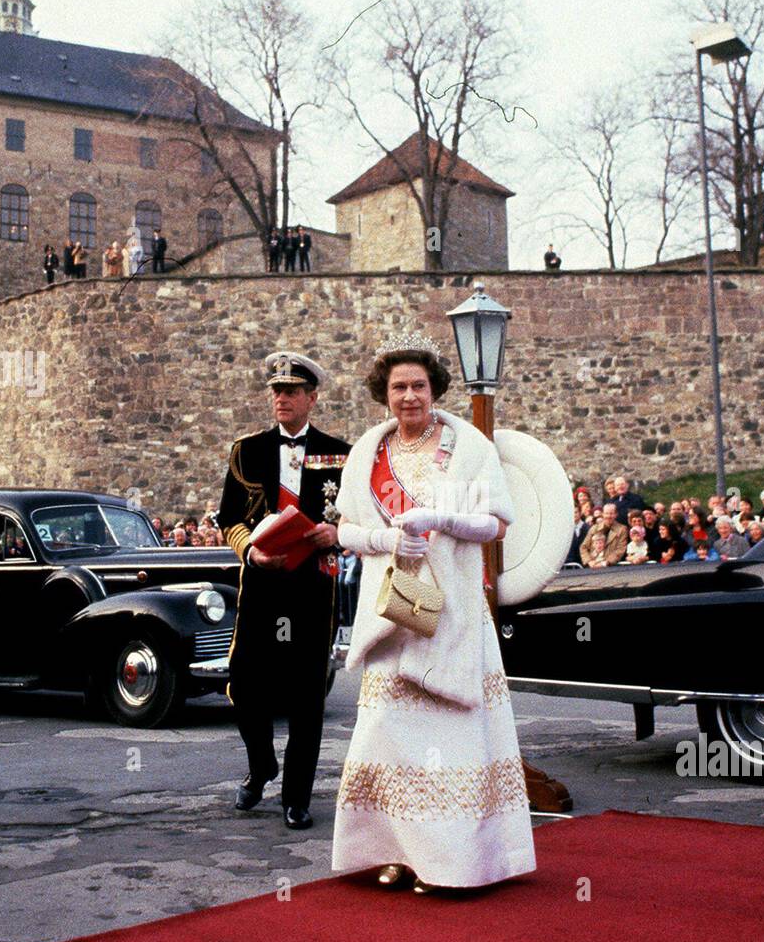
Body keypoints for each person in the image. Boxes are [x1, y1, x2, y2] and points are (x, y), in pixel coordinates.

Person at [331, 336, 535, 892]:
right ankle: (392, 853)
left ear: (434, 388)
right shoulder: (368, 452)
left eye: (418, 385)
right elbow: (345, 530)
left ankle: (457, 863)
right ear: (384, 394)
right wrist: (387, 536)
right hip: (394, 611)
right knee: (387, 735)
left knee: (452, 738)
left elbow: (495, 522)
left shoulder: (469, 446)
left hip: (453, 611)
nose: (409, 396)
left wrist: (438, 520)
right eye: (398, 387)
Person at [218, 351, 349, 831]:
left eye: (292, 391)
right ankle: (261, 767)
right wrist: (250, 551)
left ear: (312, 398)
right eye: (276, 391)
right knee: (244, 686)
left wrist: (338, 534)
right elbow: (228, 517)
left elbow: (357, 515)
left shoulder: (342, 452)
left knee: (306, 696)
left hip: (313, 587)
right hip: (262, 584)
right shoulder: (246, 450)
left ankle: (297, 797)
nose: (282, 399)